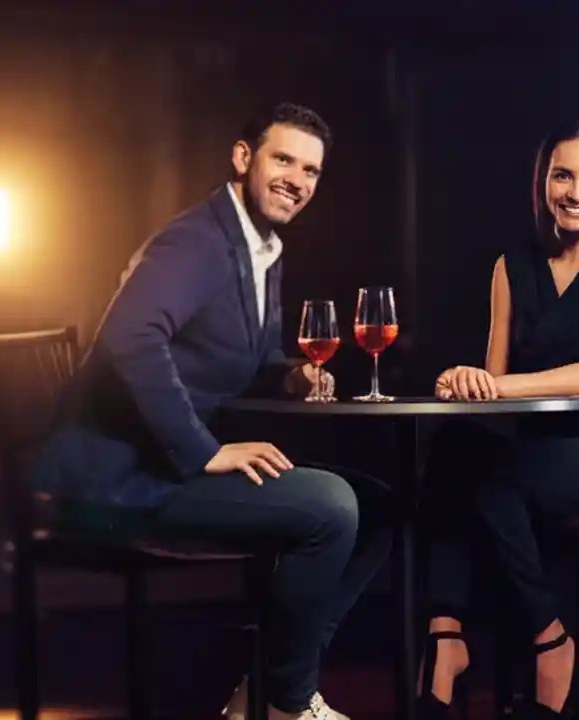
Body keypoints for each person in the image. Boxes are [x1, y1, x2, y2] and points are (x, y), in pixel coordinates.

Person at [35, 102, 391, 720]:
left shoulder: (262, 247)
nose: (296, 180)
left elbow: (247, 357)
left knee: (383, 506)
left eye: (311, 170)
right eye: (283, 159)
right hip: (118, 483)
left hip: (165, 471)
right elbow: (130, 338)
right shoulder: (197, 240)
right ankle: (288, 702)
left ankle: (271, 688)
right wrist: (206, 450)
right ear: (243, 156)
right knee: (332, 507)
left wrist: (292, 377)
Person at [416, 116, 579, 718]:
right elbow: (493, 385)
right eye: (563, 175)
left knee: (496, 477)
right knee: (453, 446)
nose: (576, 192)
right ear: (543, 182)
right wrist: (469, 384)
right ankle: (445, 635)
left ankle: (551, 641)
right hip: (534, 452)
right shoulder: (511, 265)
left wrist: (494, 383)